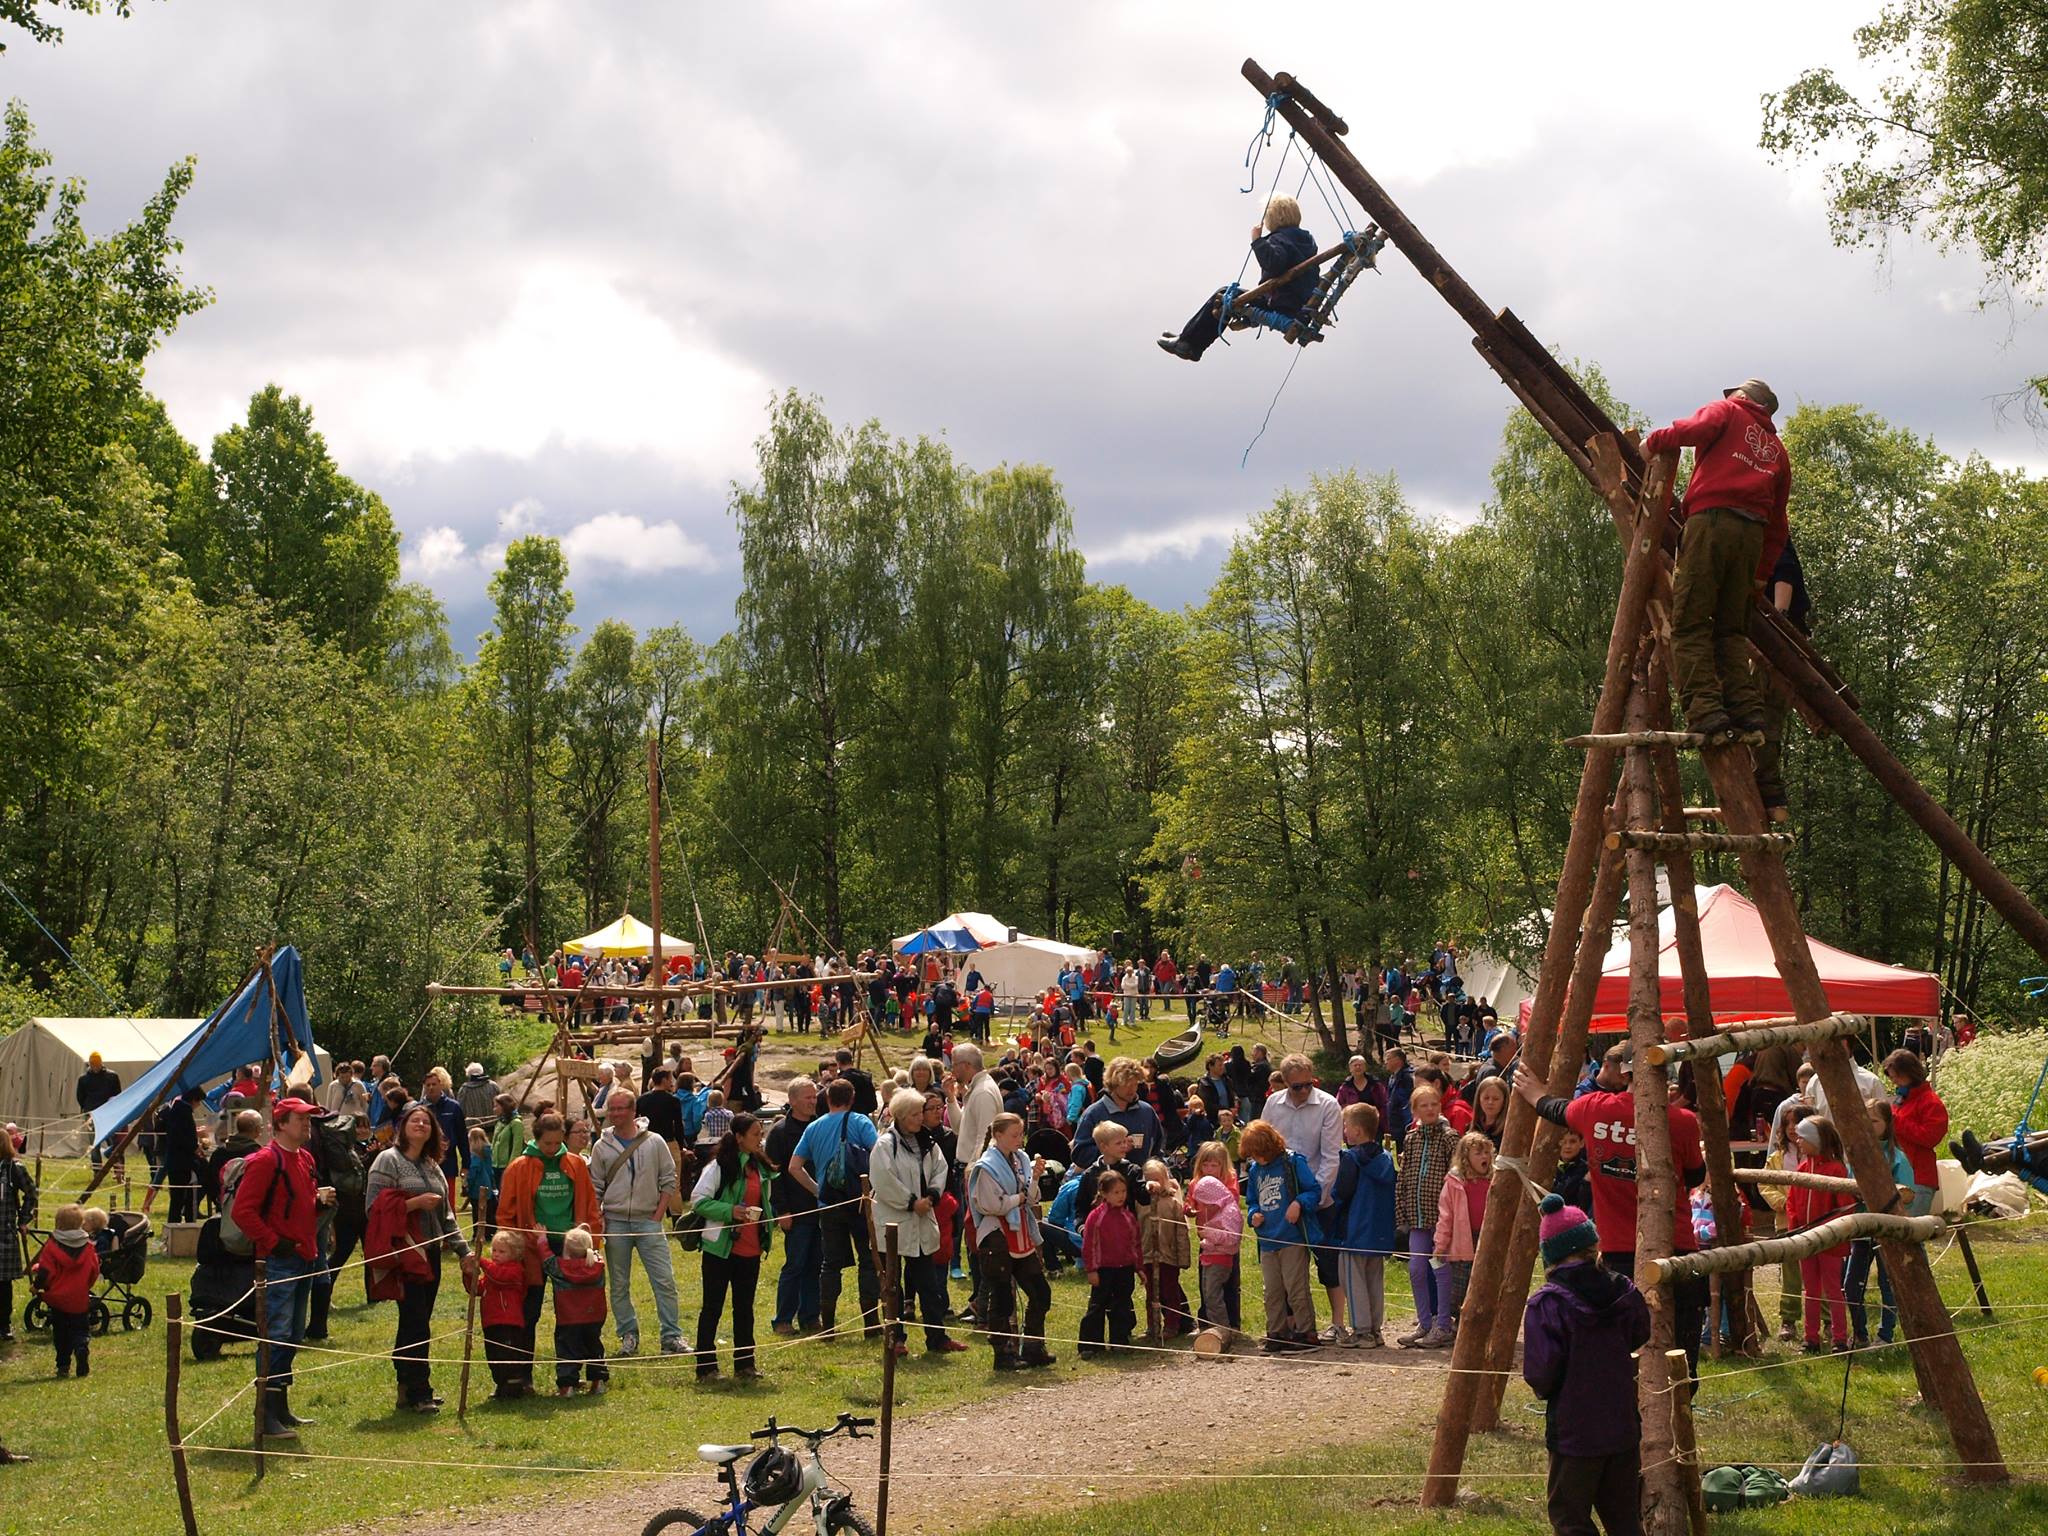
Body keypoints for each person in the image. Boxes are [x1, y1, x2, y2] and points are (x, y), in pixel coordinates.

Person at [1512, 1043, 1712, 1379]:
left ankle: (1630, 1423)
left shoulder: (1595, 1109)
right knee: (1681, 1360)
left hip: (1619, 1256)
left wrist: (1536, 1093)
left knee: (1623, 1359)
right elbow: (1694, 1175)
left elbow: (1557, 1109)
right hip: (1678, 1251)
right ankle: (1678, 1422)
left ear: (1625, 1073)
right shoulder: (1682, 1122)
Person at [1641, 378, 1791, 740]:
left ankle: (1706, 713)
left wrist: (1653, 442)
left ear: (1741, 397)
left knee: (1690, 621)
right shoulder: (1776, 450)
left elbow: (1695, 428)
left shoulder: (1727, 411)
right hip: (1751, 537)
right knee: (1731, 630)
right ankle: (1748, 715)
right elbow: (1778, 524)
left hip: (1712, 522)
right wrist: (1761, 574)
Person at [1522, 1194, 1652, 1536]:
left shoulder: (1547, 1303)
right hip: (1622, 1425)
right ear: (1592, 1244)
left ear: (1550, 1253)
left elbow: (1541, 1373)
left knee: (1570, 1520)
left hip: (1574, 1432)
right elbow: (1639, 1334)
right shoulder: (1623, 1289)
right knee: (1625, 1520)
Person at [365, 1099, 477, 1413]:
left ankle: (408, 1385)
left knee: (419, 1319)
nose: (421, 1125)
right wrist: (414, 1205)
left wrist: (464, 1250)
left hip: (431, 1253)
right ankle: (418, 1390)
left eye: (426, 1122)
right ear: (403, 1127)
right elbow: (373, 1208)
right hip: (405, 1252)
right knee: (415, 1320)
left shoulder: (432, 1165)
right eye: (415, 1121)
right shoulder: (387, 1160)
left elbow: (447, 1216)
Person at [231, 1096, 328, 1439]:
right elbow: (243, 1212)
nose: (307, 1125)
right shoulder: (264, 1161)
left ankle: (280, 1405)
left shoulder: (305, 1158)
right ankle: (265, 1413)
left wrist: (318, 1202)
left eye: (309, 1120)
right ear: (281, 1123)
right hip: (279, 1260)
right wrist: (274, 1242)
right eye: (301, 1119)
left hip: (304, 1255)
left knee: (293, 1334)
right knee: (276, 1334)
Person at [497, 1111, 602, 1377]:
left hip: (572, 1249)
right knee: (529, 1313)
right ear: (536, 1139)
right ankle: (521, 1377)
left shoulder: (576, 1164)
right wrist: (512, 1248)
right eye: (547, 1144)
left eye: (558, 1143)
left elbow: (590, 1207)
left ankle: (573, 1374)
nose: (553, 1149)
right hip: (531, 1251)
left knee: (576, 1314)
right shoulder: (519, 1167)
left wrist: (592, 1243)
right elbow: (506, 1214)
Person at [869, 1089, 967, 1358]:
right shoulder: (885, 1145)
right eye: (913, 1114)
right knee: (893, 1285)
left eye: (919, 1113)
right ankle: (896, 1338)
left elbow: (940, 1168)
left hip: (922, 1220)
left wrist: (933, 1196)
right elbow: (883, 1180)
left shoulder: (927, 1142)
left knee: (928, 1284)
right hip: (893, 1223)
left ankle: (937, 1337)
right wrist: (911, 1202)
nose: (918, 1118)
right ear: (900, 1116)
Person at [588, 1087, 682, 1358]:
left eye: (620, 1108)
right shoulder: (601, 1146)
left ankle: (671, 1336)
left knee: (664, 1280)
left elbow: (668, 1178)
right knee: (619, 1283)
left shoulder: (654, 1142)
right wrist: (600, 1215)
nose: (615, 1113)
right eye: (612, 1108)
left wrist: (658, 1214)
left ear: (633, 1111)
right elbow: (595, 1185)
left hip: (648, 1220)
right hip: (616, 1221)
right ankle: (628, 1334)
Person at [1260, 1053, 1344, 1339]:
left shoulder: (1328, 1105)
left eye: (1309, 1084)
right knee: (1285, 1266)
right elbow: (1264, 1146)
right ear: (1285, 1083)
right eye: (1297, 1087)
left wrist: (1313, 1199)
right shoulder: (1273, 1104)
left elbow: (1331, 1157)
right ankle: (1291, 1324)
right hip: (1281, 1201)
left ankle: (1338, 1323)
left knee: (1327, 1262)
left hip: (1319, 1196)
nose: (1304, 1091)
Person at [788, 1078, 880, 1337]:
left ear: (826, 1099)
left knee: (830, 1264)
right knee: (868, 1261)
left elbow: (794, 1167)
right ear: (852, 1099)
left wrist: (818, 1190)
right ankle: (871, 1324)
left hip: (828, 1203)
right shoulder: (861, 1122)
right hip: (859, 1202)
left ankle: (828, 1325)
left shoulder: (814, 1127)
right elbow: (878, 1152)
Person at [690, 1111, 775, 1380]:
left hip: (750, 1248)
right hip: (720, 1249)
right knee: (712, 1307)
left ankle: (745, 1365)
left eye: (761, 1135)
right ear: (739, 1138)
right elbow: (698, 1201)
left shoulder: (759, 1166)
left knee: (745, 1308)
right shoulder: (718, 1167)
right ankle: (705, 1367)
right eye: (755, 1135)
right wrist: (730, 1211)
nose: (759, 1140)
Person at [969, 1111, 1055, 1370]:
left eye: (1021, 1134)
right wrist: (1017, 1199)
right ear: (997, 1136)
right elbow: (989, 1204)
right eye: (1014, 1135)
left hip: (1020, 1233)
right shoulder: (986, 1167)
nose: (1020, 1139)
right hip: (996, 1236)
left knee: (1041, 1291)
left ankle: (1032, 1346)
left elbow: (1031, 1197)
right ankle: (1003, 1354)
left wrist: (1036, 1177)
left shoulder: (1022, 1159)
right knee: (1002, 1296)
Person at [1240, 1118, 1320, 1351]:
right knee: (1272, 1290)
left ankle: (1306, 1332)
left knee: (1296, 1288)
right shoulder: (1255, 1170)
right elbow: (1252, 1200)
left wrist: (1298, 1203)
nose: (1256, 1158)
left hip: (1291, 1237)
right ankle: (1276, 1332)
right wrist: (1253, 1214)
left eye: (1258, 1153)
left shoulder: (1292, 1162)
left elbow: (1313, 1190)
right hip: (1266, 1240)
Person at [1394, 1085, 1459, 1348]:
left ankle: (1444, 1324)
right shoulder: (1411, 1138)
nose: (1430, 1109)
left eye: (1434, 1104)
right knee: (1417, 1270)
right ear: (1415, 1110)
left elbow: (1457, 1178)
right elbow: (1404, 1176)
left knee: (1441, 1271)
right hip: (1417, 1219)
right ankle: (1425, 1322)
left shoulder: (1450, 1137)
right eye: (1424, 1105)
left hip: (1442, 1219)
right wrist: (1401, 1212)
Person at [1844, 1101, 1912, 1348]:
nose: (1869, 1126)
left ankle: (1886, 1335)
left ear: (1887, 1124)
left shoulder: (1898, 1158)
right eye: (1866, 1121)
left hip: (1888, 1229)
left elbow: (1905, 1195)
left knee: (1887, 1283)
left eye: (1875, 1121)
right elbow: (1849, 1185)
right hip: (1863, 1229)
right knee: (1852, 1285)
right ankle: (1860, 1335)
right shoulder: (1858, 1155)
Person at [1787, 1116, 1856, 1353]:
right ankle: (1811, 1337)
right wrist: (1795, 1228)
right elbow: (1792, 1202)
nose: (1797, 1141)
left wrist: (1831, 1232)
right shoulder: (1802, 1168)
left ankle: (1839, 1338)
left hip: (1830, 1242)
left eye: (1802, 1137)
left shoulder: (1836, 1170)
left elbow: (1845, 1205)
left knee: (1833, 1289)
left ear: (1816, 1141)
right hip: (1806, 1240)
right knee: (1811, 1290)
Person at [1330, 1102, 1396, 1348]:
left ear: (1357, 1130)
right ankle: (1376, 1329)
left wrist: (1330, 1206)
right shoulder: (1386, 1158)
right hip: (1378, 1230)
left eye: (1346, 1126)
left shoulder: (1351, 1157)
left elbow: (1343, 1192)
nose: (1344, 1131)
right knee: (1374, 1281)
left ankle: (1362, 1331)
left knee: (1352, 1280)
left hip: (1354, 1230)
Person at [1752, 535, 1810, 818]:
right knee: (1757, 712)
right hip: (1766, 636)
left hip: (1778, 637)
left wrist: (1778, 620)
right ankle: (1764, 784)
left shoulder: (1768, 530)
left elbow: (1785, 572)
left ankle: (1768, 787)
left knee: (1765, 714)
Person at [766, 1076, 823, 1337]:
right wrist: (782, 1210)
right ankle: (783, 1319)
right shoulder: (780, 1132)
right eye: (808, 1098)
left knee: (815, 1264)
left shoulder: (819, 1125)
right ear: (792, 1100)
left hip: (819, 1208)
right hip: (795, 1210)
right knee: (795, 1264)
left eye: (814, 1097)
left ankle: (810, 1316)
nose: (813, 1101)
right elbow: (774, 1176)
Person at [1079, 1166, 1142, 1353]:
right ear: (1104, 1193)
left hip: (1124, 1269)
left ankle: (1119, 1341)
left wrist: (1139, 1268)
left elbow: (1135, 1244)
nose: (1121, 1196)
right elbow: (1089, 1245)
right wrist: (1091, 1269)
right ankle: (1090, 1345)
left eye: (1123, 1191)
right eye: (1116, 1192)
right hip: (1103, 1269)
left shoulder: (1129, 1217)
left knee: (1122, 1305)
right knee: (1097, 1306)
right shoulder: (1095, 1217)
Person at [1434, 1131, 1495, 1326]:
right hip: (1463, 1243)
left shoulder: (1497, 1179)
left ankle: (1484, 1326)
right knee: (1460, 1290)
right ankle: (1458, 1326)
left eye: (1487, 1152)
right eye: (1478, 1153)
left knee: (1487, 1286)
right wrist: (1440, 1244)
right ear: (1465, 1157)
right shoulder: (1454, 1182)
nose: (1484, 1157)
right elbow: (1445, 1216)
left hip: (1488, 1241)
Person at [30, 1204, 97, 1378]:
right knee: (80, 1329)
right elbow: (94, 1270)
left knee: (61, 1333)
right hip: (79, 1298)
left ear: (58, 1223)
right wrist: (86, 1286)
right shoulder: (88, 1246)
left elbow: (45, 1271)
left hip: (58, 1298)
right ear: (80, 1223)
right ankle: (81, 1347)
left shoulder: (52, 1246)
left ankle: (63, 1366)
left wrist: (37, 1287)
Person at [543, 1225, 610, 1395]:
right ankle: (598, 1381)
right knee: (594, 1347)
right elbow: (592, 1253)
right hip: (594, 1316)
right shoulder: (598, 1265)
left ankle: (567, 1386)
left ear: (565, 1250)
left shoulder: (559, 1267)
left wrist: (541, 1240)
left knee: (568, 1350)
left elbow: (546, 1259)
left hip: (568, 1318)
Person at [1883, 1048, 1949, 1217]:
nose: (1894, 1081)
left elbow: (1931, 1137)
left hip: (1919, 1178)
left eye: (1897, 1076)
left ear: (1909, 1072)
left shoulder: (1931, 1102)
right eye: (1892, 1077)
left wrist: (1896, 1122)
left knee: (1912, 1235)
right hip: (1898, 1174)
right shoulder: (1900, 1100)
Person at [1070, 1055, 1164, 1168]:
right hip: (1106, 1182)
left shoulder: (1147, 1111)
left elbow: (1158, 1150)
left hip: (1139, 1182)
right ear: (1113, 1084)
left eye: (1135, 1084)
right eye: (1127, 1085)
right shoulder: (1094, 1114)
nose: (1132, 1090)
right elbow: (1079, 1154)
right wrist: (1112, 1151)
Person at [1187, 1161, 1243, 1347]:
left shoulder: (1230, 1211)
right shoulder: (1220, 1210)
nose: (1205, 1208)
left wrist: (1208, 1233)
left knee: (1213, 1295)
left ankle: (1223, 1328)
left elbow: (1231, 1238)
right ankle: (1214, 1328)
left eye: (1206, 1204)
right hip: (1210, 1257)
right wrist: (1206, 1241)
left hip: (1221, 1260)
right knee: (1208, 1294)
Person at [478, 1229, 535, 1398]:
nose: (496, 1255)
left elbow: (499, 1277)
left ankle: (513, 1387)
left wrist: (481, 1261)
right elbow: (479, 1288)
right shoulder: (492, 1271)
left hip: (508, 1322)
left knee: (508, 1355)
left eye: (502, 1251)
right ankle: (501, 1385)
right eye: (494, 1250)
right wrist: (469, 1274)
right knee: (494, 1356)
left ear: (515, 1254)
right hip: (491, 1322)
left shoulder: (514, 1270)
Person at [0, 1130, 35, 1343]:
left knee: (3, 1284)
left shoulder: (14, 1168)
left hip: (3, 1234)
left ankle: (4, 1325)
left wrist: (23, 1219)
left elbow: (31, 1194)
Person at [457, 1062, 500, 1128]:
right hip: (494, 1127)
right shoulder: (493, 1086)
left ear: (469, 1075)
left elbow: (460, 1112)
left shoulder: (464, 1090)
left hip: (474, 1131)